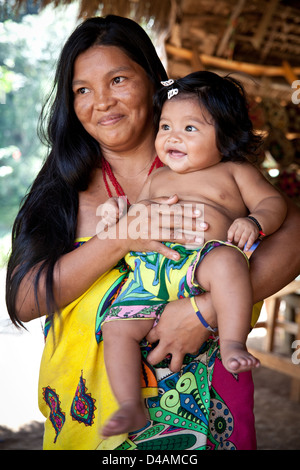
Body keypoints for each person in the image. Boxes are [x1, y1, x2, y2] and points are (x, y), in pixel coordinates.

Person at [5, 15, 300, 451]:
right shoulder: (62, 191)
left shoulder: (214, 174)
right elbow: (25, 301)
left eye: (118, 79)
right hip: (88, 422)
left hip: (206, 417)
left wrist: (204, 310)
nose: (101, 102)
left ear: (155, 82)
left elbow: (292, 234)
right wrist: (120, 237)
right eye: (82, 89)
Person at [99, 71, 287, 438]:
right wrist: (116, 210)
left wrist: (255, 221)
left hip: (202, 265)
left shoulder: (234, 171)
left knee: (229, 260)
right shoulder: (156, 177)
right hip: (155, 270)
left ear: (226, 136)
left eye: (190, 129)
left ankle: (233, 343)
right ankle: (130, 405)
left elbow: (273, 202)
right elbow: (138, 214)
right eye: (166, 126)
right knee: (115, 328)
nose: (172, 136)